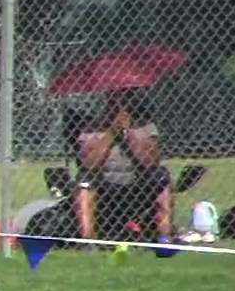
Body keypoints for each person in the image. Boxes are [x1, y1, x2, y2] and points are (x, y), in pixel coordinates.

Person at [73, 90, 172, 241]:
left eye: (124, 99)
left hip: (138, 184)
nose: (119, 105)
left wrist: (128, 132)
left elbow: (149, 162)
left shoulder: (146, 127)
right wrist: (111, 133)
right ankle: (87, 240)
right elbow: (89, 164)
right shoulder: (92, 128)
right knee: (84, 183)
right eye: (113, 100)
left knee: (161, 178)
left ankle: (164, 237)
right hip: (104, 186)